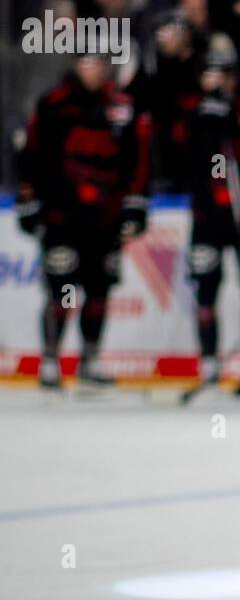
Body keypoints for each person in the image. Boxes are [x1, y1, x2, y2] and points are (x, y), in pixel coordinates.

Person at [16, 53, 150, 389]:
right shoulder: (54, 104)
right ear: (76, 65)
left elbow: (139, 160)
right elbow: (31, 154)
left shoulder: (122, 107)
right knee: (61, 290)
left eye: (98, 63)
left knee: (99, 290)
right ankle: (50, 359)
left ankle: (90, 359)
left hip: (105, 217)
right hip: (62, 215)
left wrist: (135, 205)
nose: (91, 70)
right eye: (85, 62)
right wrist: (28, 200)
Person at [185, 35, 240, 389]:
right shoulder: (194, 113)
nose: (218, 81)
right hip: (208, 218)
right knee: (205, 289)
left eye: (225, 74)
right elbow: (184, 162)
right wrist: (208, 122)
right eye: (211, 74)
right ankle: (208, 361)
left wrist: (231, 121)